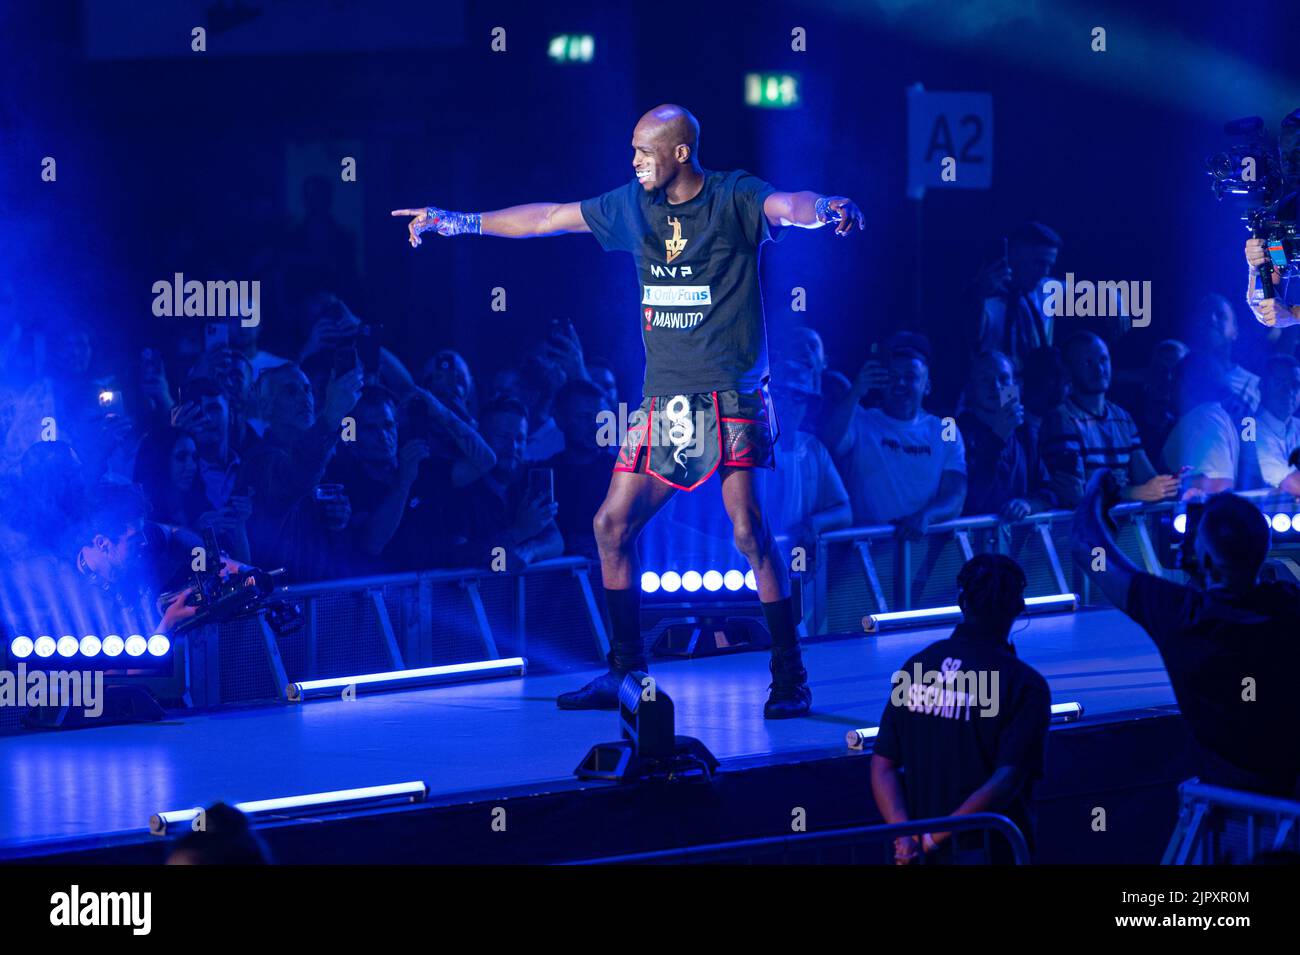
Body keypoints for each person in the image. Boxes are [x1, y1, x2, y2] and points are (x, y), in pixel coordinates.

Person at [393, 103, 864, 718]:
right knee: (610, 528)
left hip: (730, 396)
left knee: (748, 530)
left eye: (645, 150)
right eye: (633, 149)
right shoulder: (631, 205)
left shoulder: (732, 197)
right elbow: (547, 219)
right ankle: (625, 672)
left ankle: (789, 674)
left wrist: (826, 207)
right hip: (663, 402)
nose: (634, 160)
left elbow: (788, 205)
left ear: (680, 153)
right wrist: (455, 221)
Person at [1072, 471, 1300, 797]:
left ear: (1202, 557)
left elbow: (1086, 548)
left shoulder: (1182, 614)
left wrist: (1096, 492)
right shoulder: (1290, 608)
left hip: (1223, 808)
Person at [871, 554, 1051, 864]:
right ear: (1018, 607)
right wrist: (931, 839)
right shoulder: (1024, 685)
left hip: (919, 857)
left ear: (961, 602)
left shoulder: (916, 667)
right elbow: (1006, 780)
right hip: (989, 853)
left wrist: (906, 838)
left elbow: (882, 766)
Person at [821, 332, 967, 536]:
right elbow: (828, 446)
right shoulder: (861, 420)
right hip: (866, 551)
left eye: (910, 377)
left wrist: (925, 517)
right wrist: (855, 392)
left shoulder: (946, 429)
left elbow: (956, 494)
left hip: (922, 550)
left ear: (927, 386)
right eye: (893, 376)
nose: (900, 383)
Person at [1040, 332, 1178, 507]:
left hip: (1123, 527)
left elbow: (1147, 478)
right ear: (1068, 370)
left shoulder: (1123, 418)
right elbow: (1076, 490)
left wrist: (1175, 483)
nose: (1099, 369)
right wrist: (1134, 491)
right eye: (1088, 362)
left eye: (1103, 360)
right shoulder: (1061, 418)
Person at [451, 397, 562, 568]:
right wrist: (519, 532)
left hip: (519, 593)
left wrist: (530, 550)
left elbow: (555, 541)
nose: (513, 446)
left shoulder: (527, 479)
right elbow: (457, 557)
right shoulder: (461, 488)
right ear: (480, 438)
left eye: (520, 438)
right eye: (503, 437)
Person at [764, 355, 851, 559]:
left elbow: (844, 512)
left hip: (799, 557)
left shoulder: (812, 448)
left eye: (798, 398)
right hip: (748, 564)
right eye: (780, 395)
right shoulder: (746, 446)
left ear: (809, 406)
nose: (788, 407)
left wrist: (812, 524)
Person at [958, 351, 1054, 520]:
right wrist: (998, 438)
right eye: (985, 380)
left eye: (1003, 379)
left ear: (1016, 385)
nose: (995, 387)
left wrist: (1028, 504)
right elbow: (970, 498)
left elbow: (1049, 492)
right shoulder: (957, 432)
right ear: (971, 389)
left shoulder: (1026, 433)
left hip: (1017, 543)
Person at [540, 378, 617, 563]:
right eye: (584, 417)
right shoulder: (543, 475)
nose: (595, 426)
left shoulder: (624, 474)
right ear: (560, 420)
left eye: (600, 417)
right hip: (553, 584)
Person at [967, 222, 1063, 370]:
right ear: (1015, 255)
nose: (1045, 272)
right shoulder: (986, 298)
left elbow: (1098, 295)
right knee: (1009, 391)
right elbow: (968, 338)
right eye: (1039, 263)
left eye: (1050, 265)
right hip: (1002, 385)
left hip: (1039, 388)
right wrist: (978, 297)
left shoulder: (1046, 289)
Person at [1160, 352, 1239, 494]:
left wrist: (1166, 486)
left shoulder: (1203, 420)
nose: (1169, 389)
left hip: (1202, 515)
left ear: (1183, 383)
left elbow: (1219, 484)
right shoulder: (1211, 416)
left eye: (1173, 380)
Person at [1241, 354, 1300, 495]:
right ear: (1262, 386)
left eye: (1295, 385)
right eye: (1279, 383)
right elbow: (1294, 484)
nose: (1288, 391)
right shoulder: (1249, 429)